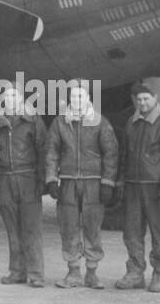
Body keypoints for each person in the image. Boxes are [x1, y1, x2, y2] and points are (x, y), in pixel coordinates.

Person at [44, 84, 119, 289]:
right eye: (73, 96)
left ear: (88, 97)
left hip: (93, 183)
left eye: (81, 95)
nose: (77, 99)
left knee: (92, 227)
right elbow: (51, 152)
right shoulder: (60, 123)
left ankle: (92, 272)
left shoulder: (100, 123)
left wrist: (107, 183)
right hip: (68, 181)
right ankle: (73, 271)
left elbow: (111, 154)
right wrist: (51, 179)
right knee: (68, 227)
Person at [114, 81, 160, 293]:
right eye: (139, 100)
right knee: (132, 232)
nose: (142, 103)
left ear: (155, 98)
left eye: (146, 99)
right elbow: (124, 155)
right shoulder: (131, 123)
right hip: (133, 186)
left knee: (158, 231)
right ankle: (135, 272)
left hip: (156, 188)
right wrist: (120, 182)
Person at [0, 84, 47, 287]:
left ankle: (35, 274)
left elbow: (43, 151)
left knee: (31, 229)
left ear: (21, 100)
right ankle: (17, 271)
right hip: (4, 181)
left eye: (13, 97)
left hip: (28, 179)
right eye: (6, 98)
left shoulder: (33, 121)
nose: (10, 101)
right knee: (12, 230)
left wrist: (43, 180)